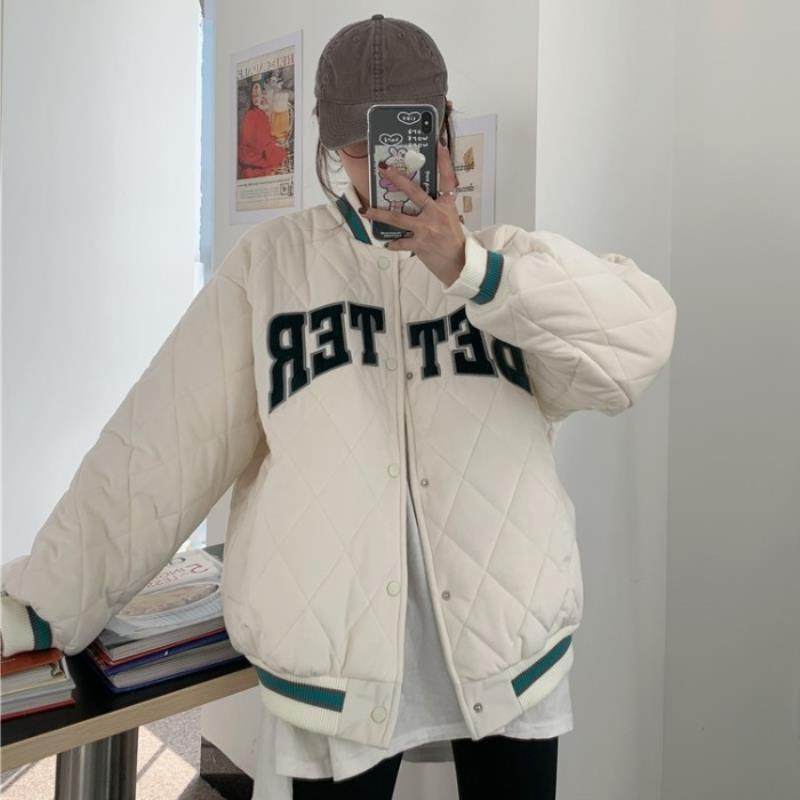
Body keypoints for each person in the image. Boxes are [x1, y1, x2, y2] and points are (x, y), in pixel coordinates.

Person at [0, 14, 677, 800]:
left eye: (401, 134)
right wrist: (44, 605)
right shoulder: (271, 268)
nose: (382, 164)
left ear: (441, 123)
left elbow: (640, 341)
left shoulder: (508, 264)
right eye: (361, 145)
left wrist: (471, 270)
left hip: (511, 657)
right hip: (335, 674)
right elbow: (163, 442)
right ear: (329, 148)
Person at [238, 79, 287, 179]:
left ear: (262, 95)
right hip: (254, 163)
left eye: (258, 95)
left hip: (257, 159)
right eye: (253, 96)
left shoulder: (261, 114)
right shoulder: (251, 115)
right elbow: (261, 145)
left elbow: (266, 139)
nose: (256, 97)